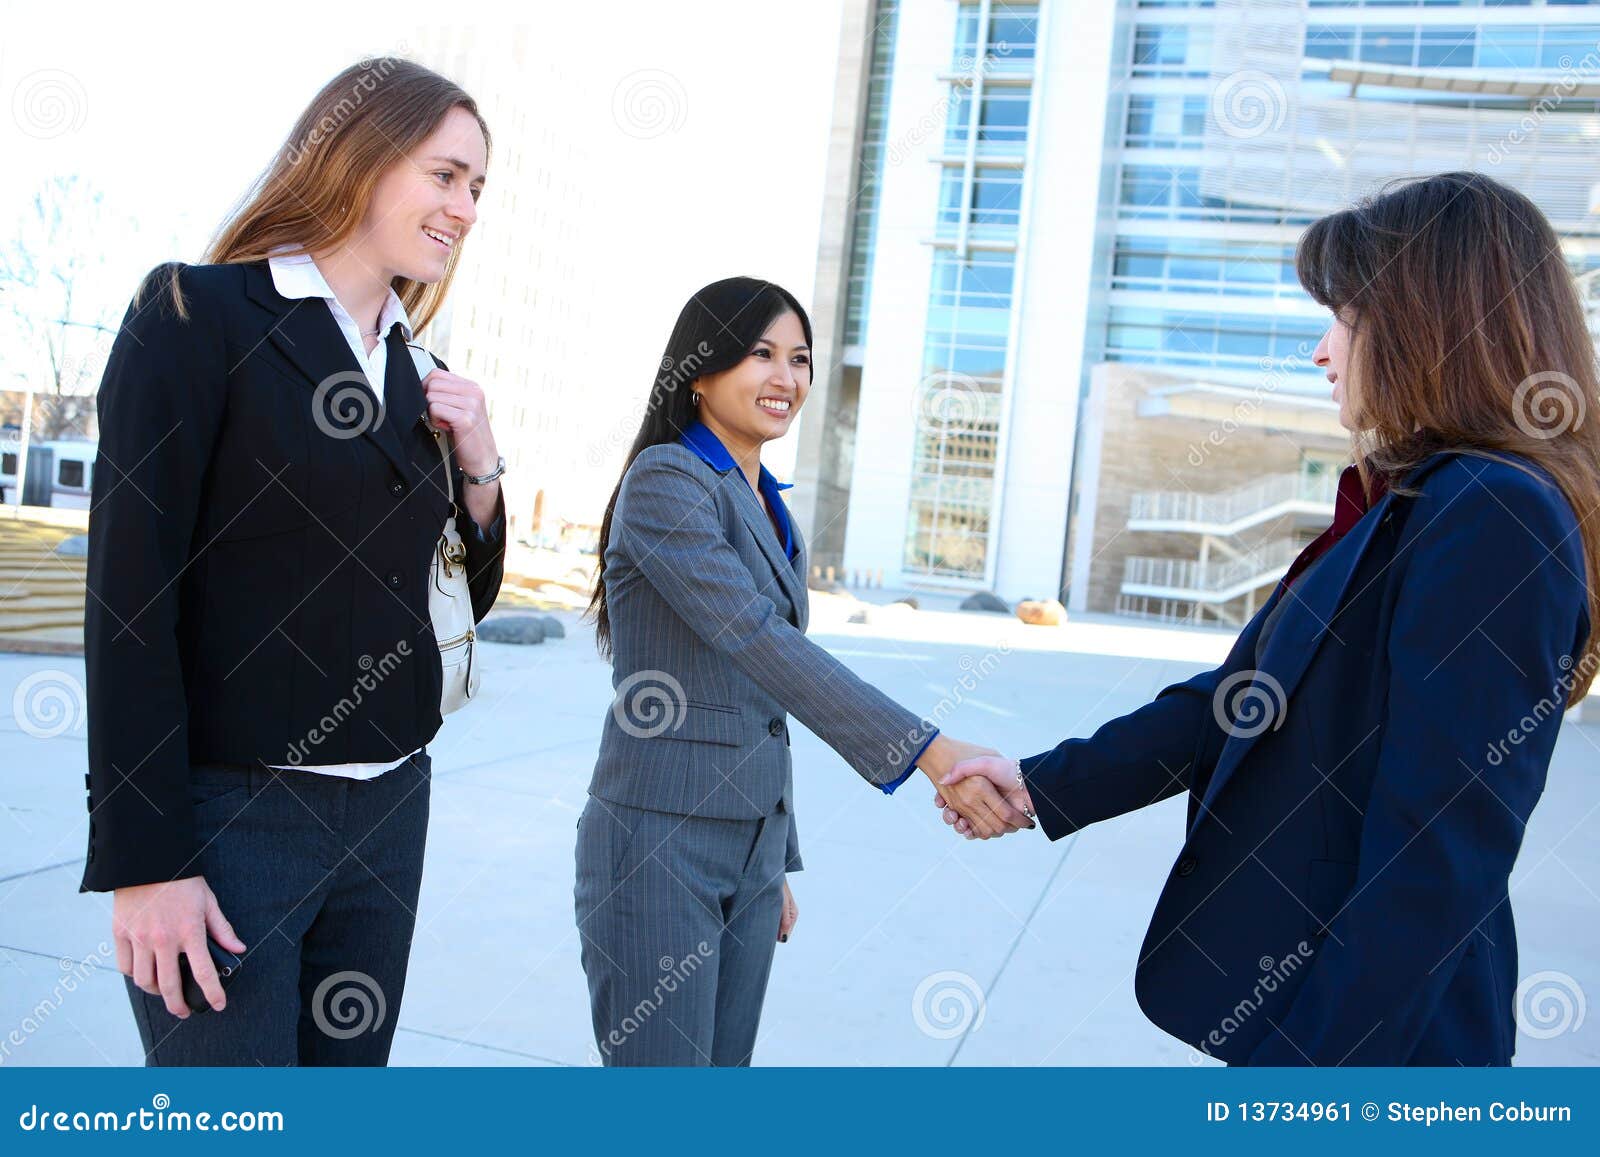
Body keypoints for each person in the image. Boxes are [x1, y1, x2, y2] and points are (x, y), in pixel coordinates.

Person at [939, 171, 1600, 1066]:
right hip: (1320, 1011)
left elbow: (1439, 849)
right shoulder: (1425, 500)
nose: (1323, 352)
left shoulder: (1494, 514)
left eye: (1344, 318)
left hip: (1377, 1043)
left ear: (1425, 326)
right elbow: (1247, 696)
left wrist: (1311, 1079)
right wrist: (1047, 782)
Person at [81, 58, 506, 1066]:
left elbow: (453, 604)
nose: (466, 209)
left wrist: (482, 468)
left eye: (479, 189)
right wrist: (146, 862)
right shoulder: (196, 317)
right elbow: (128, 604)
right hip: (237, 819)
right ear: (358, 159)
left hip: (391, 811)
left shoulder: (421, 369)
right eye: (446, 176)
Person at [575, 276, 1031, 1066]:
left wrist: (766, 856)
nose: (786, 378)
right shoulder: (666, 480)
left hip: (744, 853)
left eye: (800, 358)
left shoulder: (767, 499)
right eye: (761, 353)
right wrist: (930, 749)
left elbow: (755, 700)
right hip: (659, 844)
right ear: (701, 366)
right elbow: (757, 641)